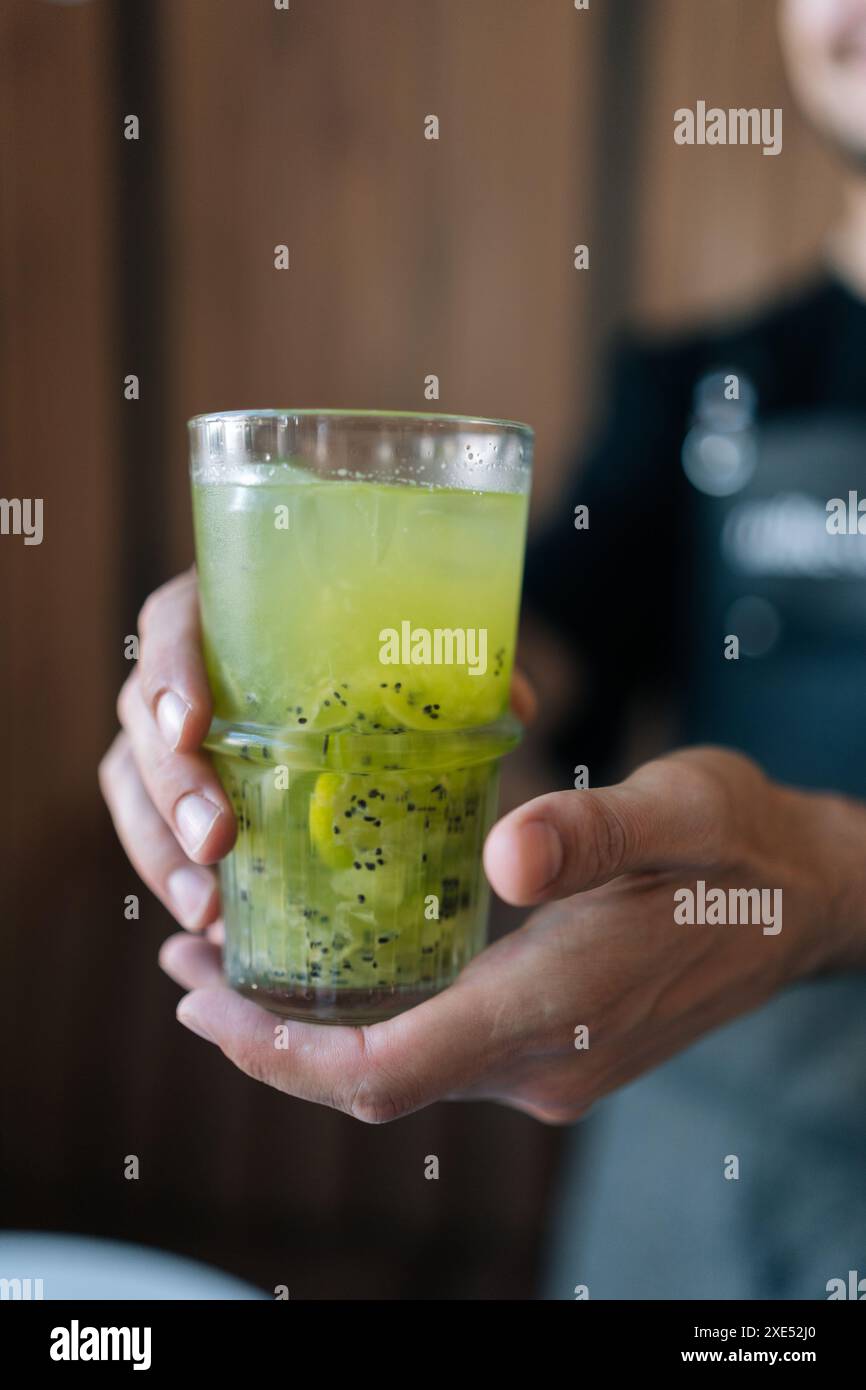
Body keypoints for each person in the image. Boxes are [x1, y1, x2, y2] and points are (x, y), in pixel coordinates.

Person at [99, 0, 866, 1299]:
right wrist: (303, 661)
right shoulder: (699, 384)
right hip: (700, 1137)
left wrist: (827, 878)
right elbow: (532, 648)